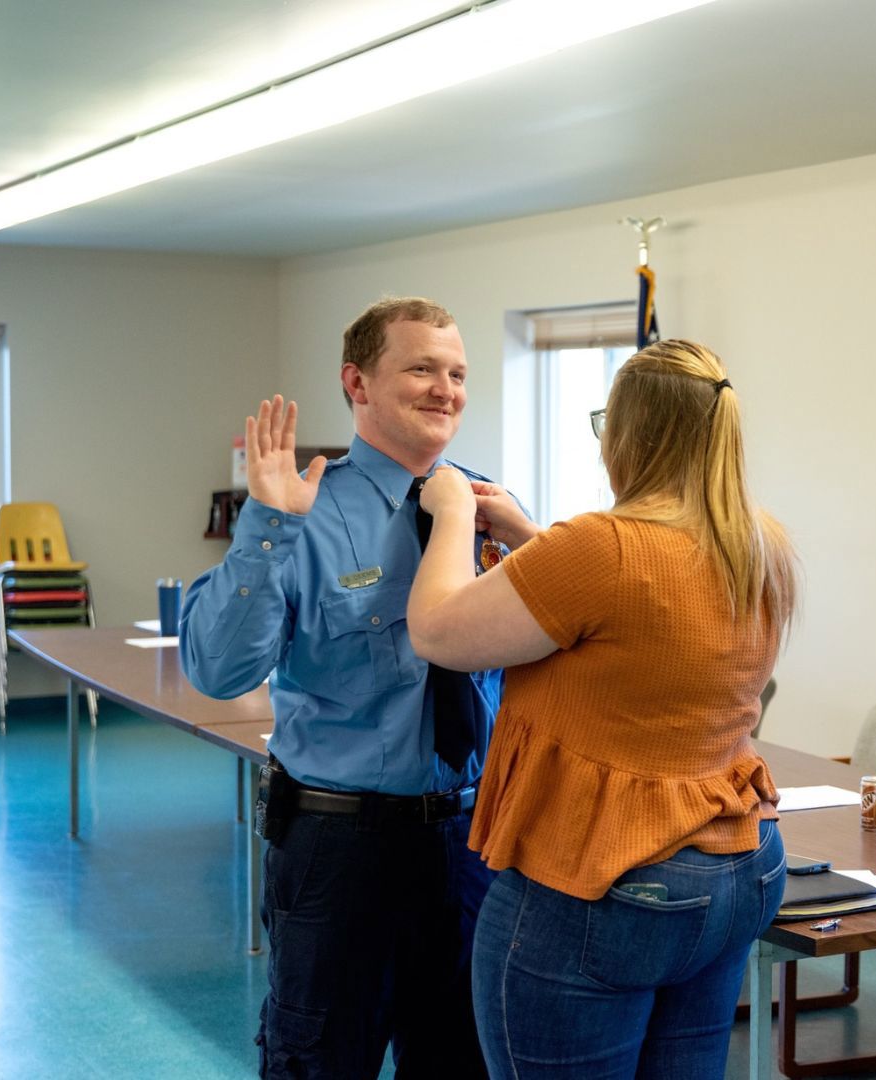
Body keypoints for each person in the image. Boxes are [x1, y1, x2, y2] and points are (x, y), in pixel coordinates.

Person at [407, 338, 798, 1077]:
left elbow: (436, 630)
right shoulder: (758, 544)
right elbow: (640, 620)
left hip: (608, 877)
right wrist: (529, 538)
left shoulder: (601, 547)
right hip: (732, 868)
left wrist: (454, 512)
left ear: (628, 434)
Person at [180, 296, 518, 1078]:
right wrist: (268, 526)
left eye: (458, 373)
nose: (446, 389)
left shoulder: (488, 510)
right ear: (357, 383)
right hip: (343, 850)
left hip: (472, 841)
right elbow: (217, 671)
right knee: (323, 1061)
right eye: (421, 369)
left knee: (464, 1061)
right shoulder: (302, 511)